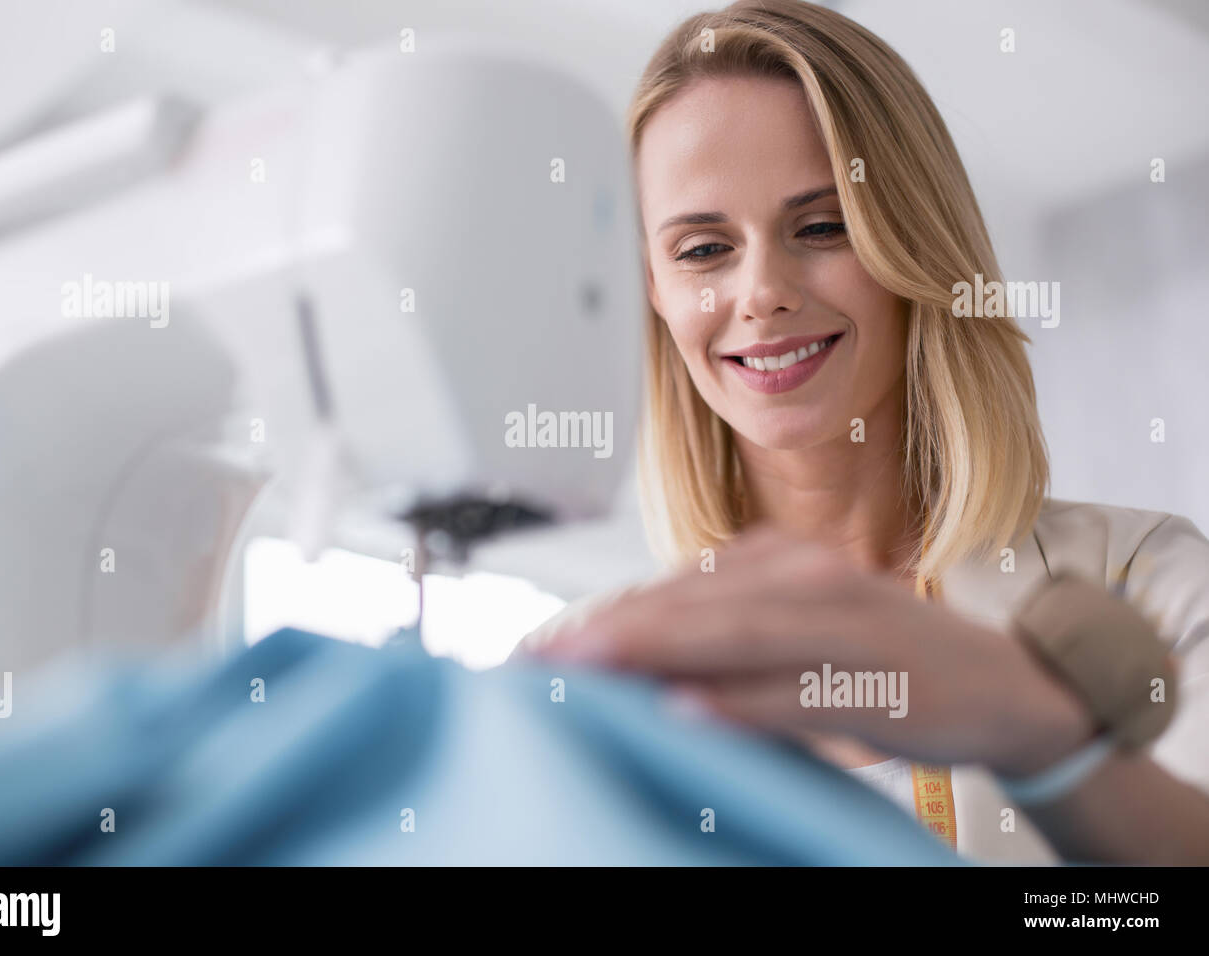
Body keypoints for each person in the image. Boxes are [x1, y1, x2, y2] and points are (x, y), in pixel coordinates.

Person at [512, 0, 1209, 865]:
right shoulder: (573, 672)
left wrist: (1051, 747)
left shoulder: (1152, 581)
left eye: (822, 226)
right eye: (702, 249)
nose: (762, 291)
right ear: (652, 288)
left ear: (915, 241)